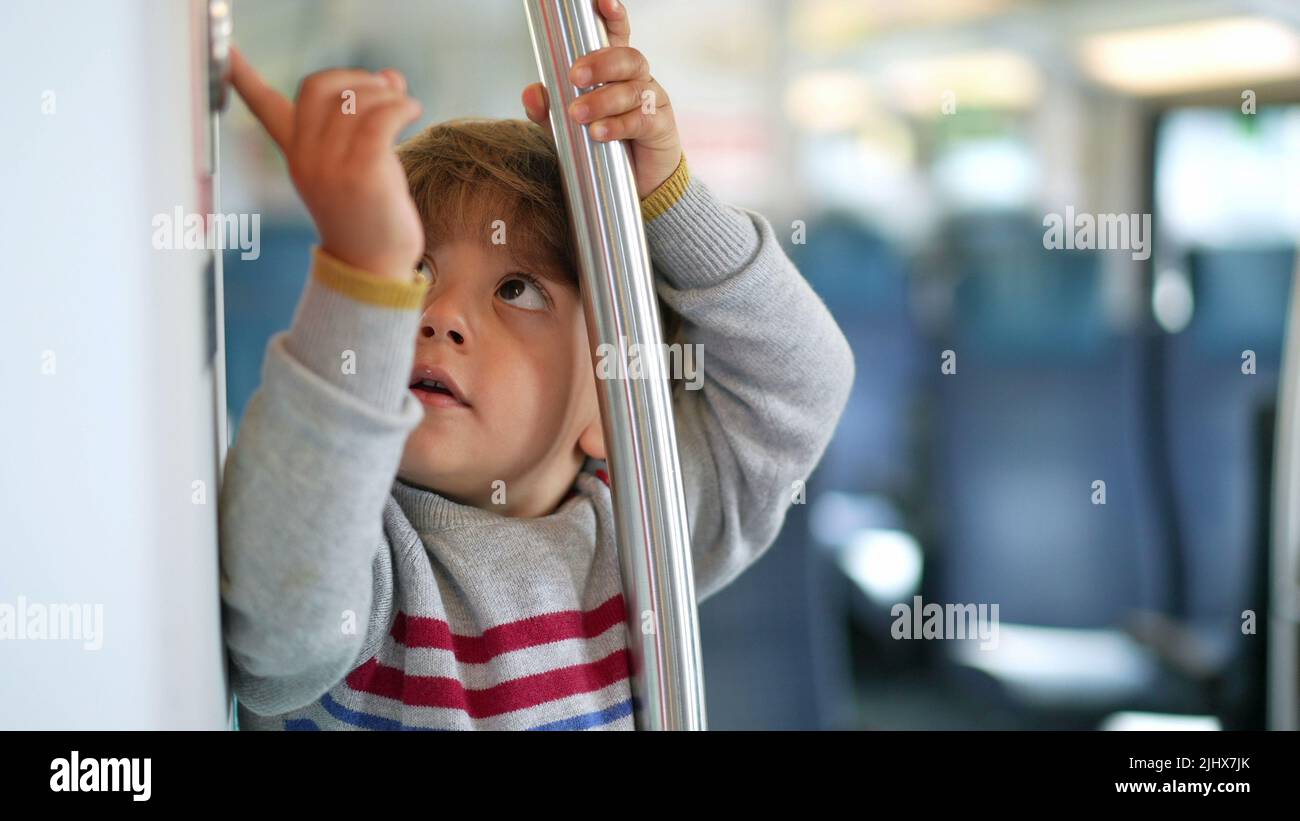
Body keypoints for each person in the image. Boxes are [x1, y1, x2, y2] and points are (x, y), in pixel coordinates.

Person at [219, 0, 854, 730]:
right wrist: (361, 273)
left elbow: (804, 382)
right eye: (413, 275)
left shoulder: (639, 527)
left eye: (516, 289)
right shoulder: (368, 555)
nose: (440, 316)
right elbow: (276, 630)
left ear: (609, 400)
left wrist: (664, 199)